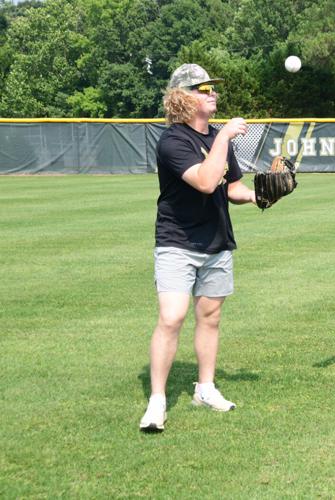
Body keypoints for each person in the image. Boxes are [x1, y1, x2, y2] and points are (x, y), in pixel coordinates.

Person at [139, 64, 255, 432]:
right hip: (177, 241)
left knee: (210, 317)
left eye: (212, 87)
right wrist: (225, 138)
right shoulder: (173, 141)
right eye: (202, 88)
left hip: (216, 240)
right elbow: (206, 181)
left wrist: (259, 195)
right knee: (172, 317)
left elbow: (231, 188)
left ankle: (205, 389)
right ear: (181, 97)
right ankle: (157, 400)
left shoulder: (218, 137)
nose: (212, 92)